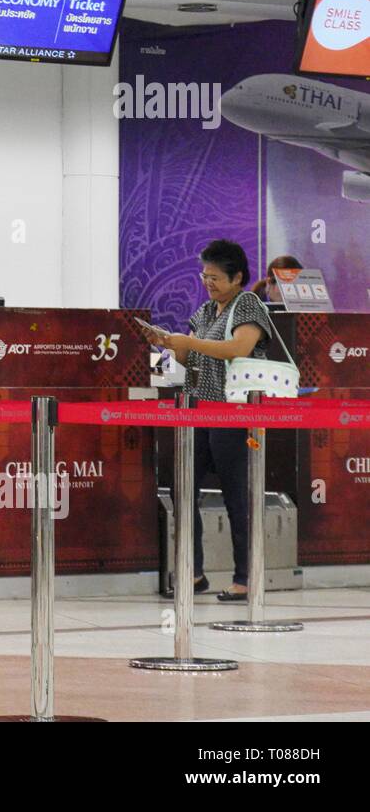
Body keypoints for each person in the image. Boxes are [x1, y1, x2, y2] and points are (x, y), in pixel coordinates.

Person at [136, 239, 274, 602]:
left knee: (237, 497)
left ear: (237, 277)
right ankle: (193, 574)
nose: (207, 282)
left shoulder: (248, 304)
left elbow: (237, 349)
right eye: (204, 275)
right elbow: (189, 359)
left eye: (215, 277)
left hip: (235, 412)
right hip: (201, 410)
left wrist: (189, 343)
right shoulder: (206, 311)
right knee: (185, 491)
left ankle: (246, 577)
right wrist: (167, 343)